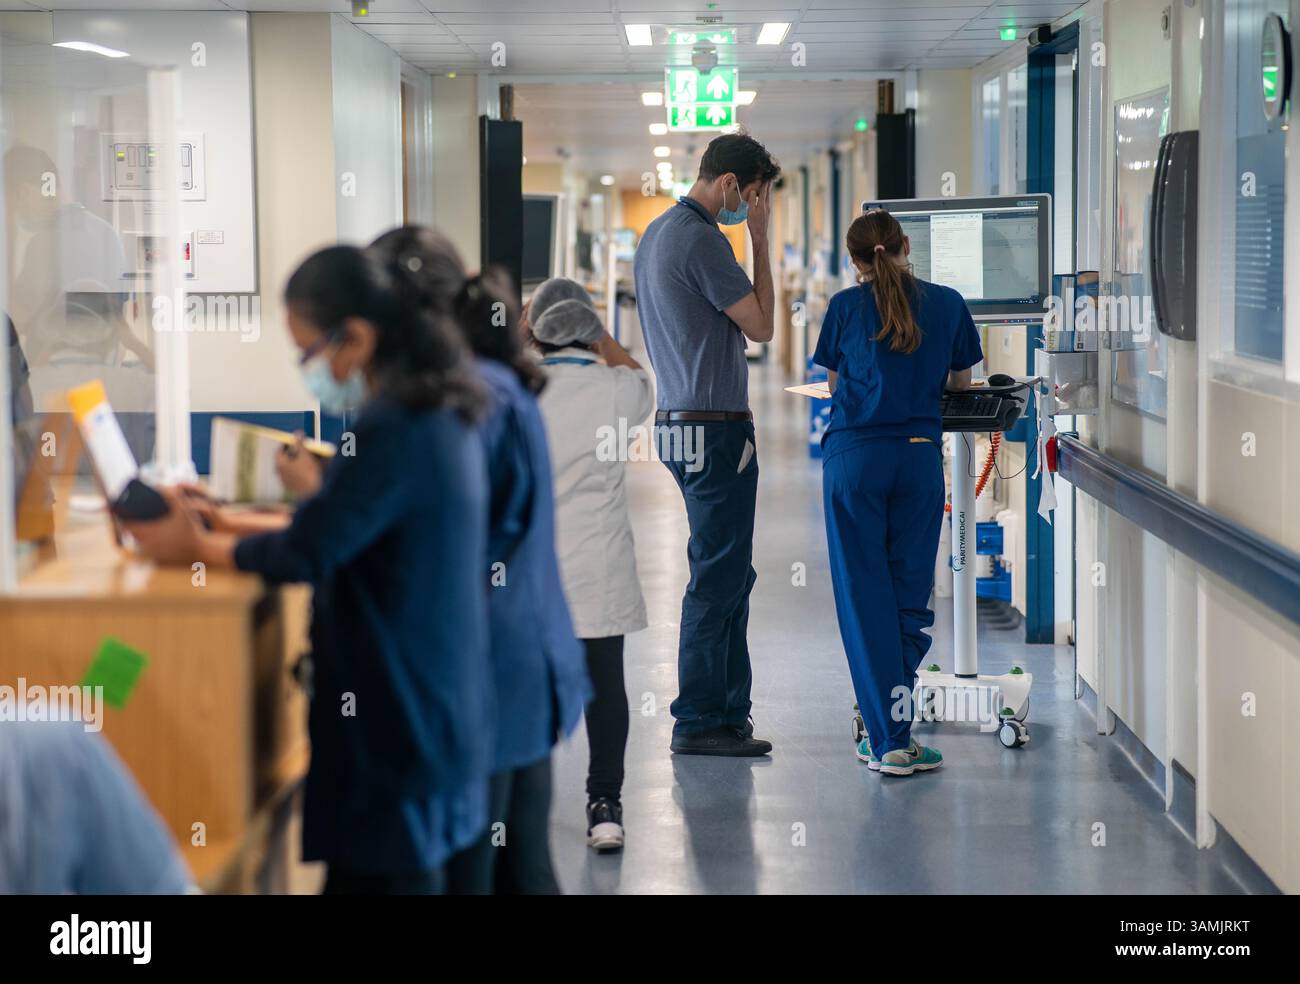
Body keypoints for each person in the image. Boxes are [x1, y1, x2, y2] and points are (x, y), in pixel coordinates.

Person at [126, 245, 494, 893]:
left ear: (355, 336)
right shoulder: (434, 410)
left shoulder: (397, 426)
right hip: (433, 709)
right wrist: (227, 524)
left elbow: (310, 549)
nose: (313, 372)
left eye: (310, 354)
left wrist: (198, 549)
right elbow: (343, 526)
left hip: (397, 724)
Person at [369, 227, 589, 893]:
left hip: (491, 668)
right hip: (525, 660)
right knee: (521, 861)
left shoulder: (470, 402)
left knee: (483, 869)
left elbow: (452, 539)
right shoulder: (495, 384)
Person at [815, 209, 983, 777]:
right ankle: (894, 726)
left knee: (865, 599)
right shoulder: (948, 302)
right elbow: (960, 383)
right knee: (909, 600)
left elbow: (837, 386)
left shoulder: (842, 308)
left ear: (855, 261)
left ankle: (888, 739)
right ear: (908, 246)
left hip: (854, 462)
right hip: (916, 458)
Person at [632, 131, 780, 756]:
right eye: (752, 197)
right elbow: (764, 325)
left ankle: (727, 711)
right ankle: (698, 720)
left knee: (726, 572)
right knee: (717, 579)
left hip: (679, 420)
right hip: (715, 430)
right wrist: (761, 240)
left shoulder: (658, 234)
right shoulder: (703, 239)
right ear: (727, 185)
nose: (751, 207)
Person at [524, 277, 652, 852]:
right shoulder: (618, 391)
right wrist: (601, 330)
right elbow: (641, 376)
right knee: (605, 689)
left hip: (532, 573)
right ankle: (605, 807)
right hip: (598, 567)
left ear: (536, 330)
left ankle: (522, 808)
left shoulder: (518, 394)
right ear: (591, 328)